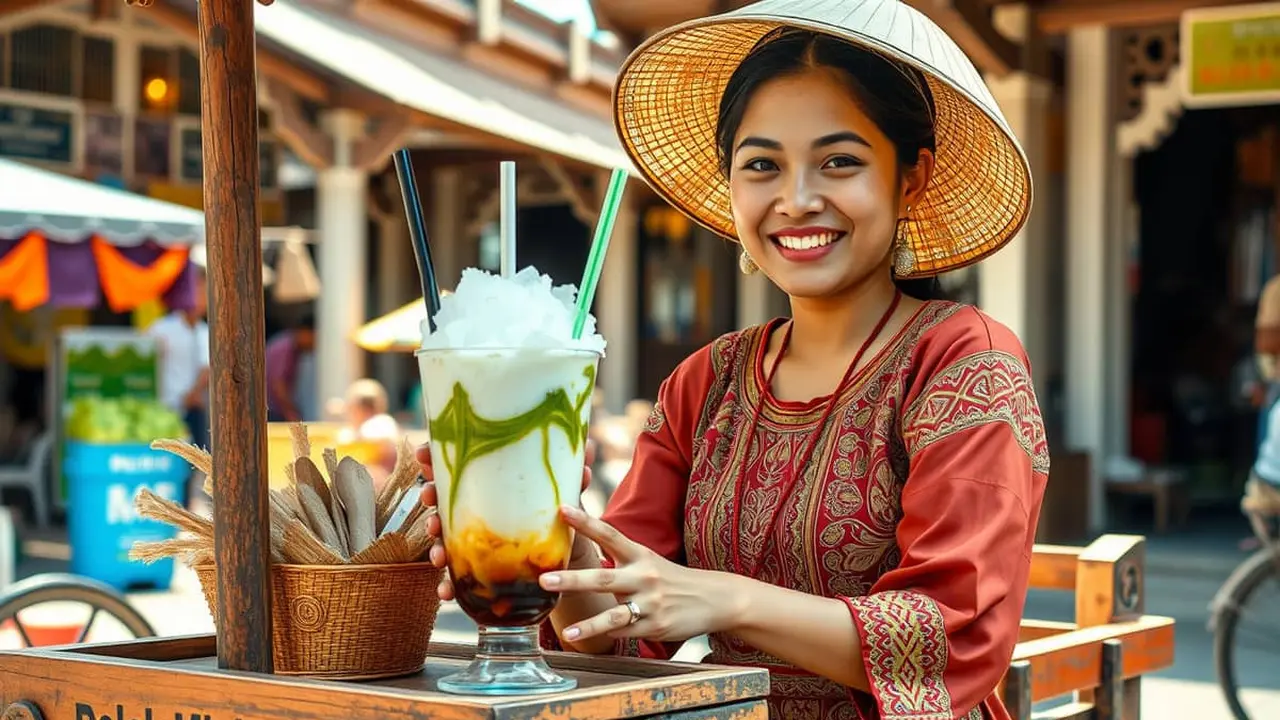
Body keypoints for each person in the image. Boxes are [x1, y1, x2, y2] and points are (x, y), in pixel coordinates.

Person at [419, 1, 1047, 717]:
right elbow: (613, 640)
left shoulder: (965, 361)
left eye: (839, 162)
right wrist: (562, 542)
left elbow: (951, 638)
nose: (797, 198)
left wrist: (724, 599)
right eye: (761, 165)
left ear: (911, 178)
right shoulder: (705, 381)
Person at [148, 268, 210, 448]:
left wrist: (195, 393)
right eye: (200, 291)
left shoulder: (204, 332)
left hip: (194, 409)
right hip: (165, 410)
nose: (203, 299)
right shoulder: (161, 329)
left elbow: (207, 369)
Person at [333, 378, 400, 488]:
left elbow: (372, 437)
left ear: (361, 409)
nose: (347, 412)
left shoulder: (379, 422)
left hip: (381, 486)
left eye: (350, 407)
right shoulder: (356, 428)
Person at [265, 315, 316, 423]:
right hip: (271, 411)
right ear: (305, 332)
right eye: (314, 337)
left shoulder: (292, 348)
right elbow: (278, 385)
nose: (315, 343)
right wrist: (290, 411)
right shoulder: (285, 348)